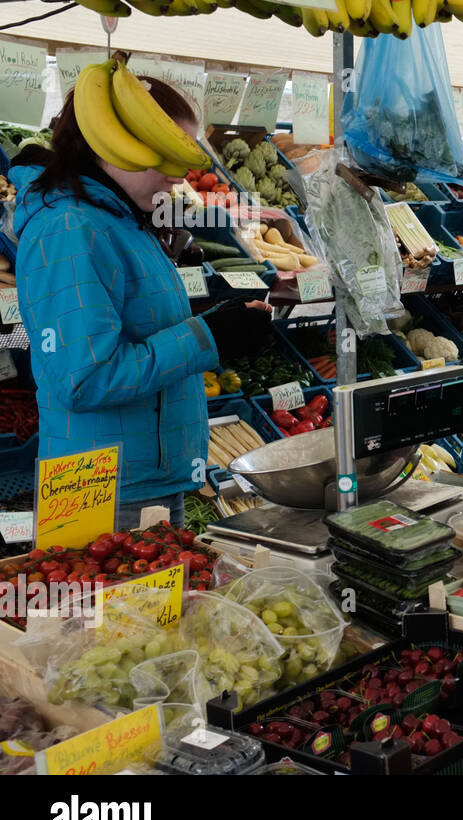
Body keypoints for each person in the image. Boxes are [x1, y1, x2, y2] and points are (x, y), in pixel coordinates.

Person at [11, 77, 271, 531]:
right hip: (101, 491)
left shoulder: (122, 219)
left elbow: (139, 336)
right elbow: (84, 379)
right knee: (109, 606)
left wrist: (217, 325)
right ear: (113, 143)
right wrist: (207, 337)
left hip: (142, 481)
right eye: (166, 153)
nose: (179, 174)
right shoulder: (70, 228)